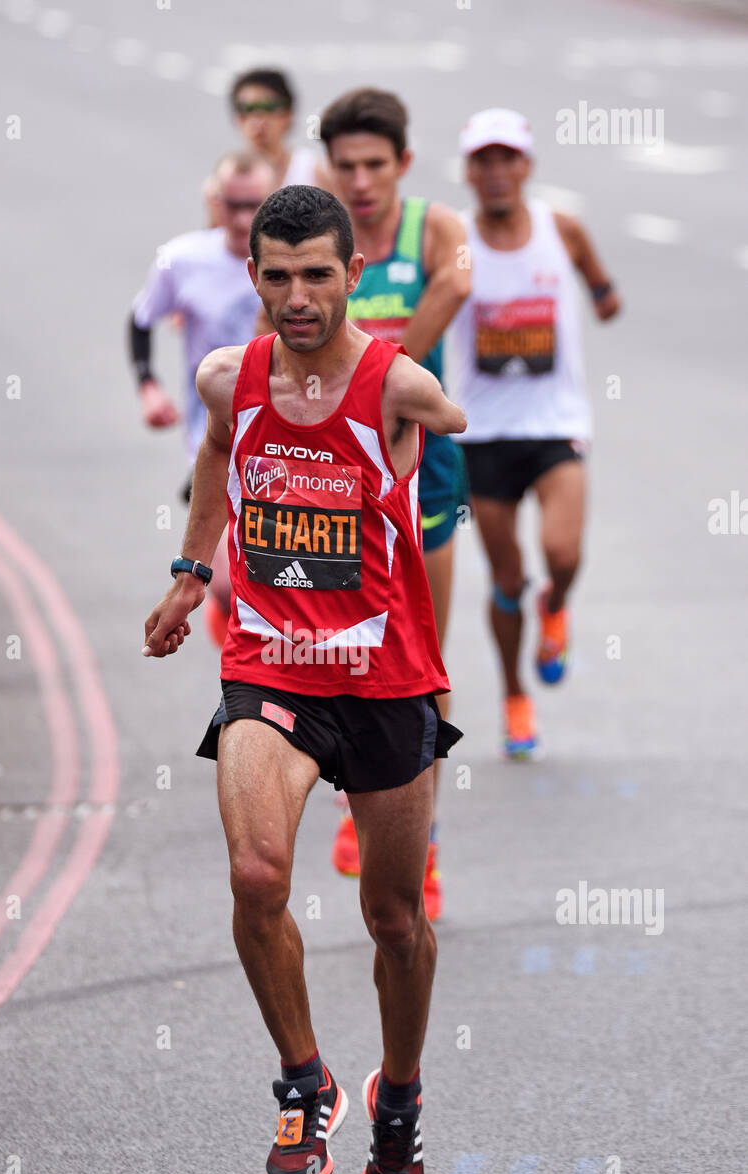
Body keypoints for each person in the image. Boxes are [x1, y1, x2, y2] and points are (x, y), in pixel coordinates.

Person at [142, 185, 466, 1174]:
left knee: (394, 918)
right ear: (253, 277)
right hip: (269, 664)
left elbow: (451, 423)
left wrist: (418, 464)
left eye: (316, 274)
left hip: (386, 678)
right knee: (253, 870)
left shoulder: (396, 387)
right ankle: (303, 1078)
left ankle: (400, 1096)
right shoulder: (227, 379)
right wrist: (194, 571)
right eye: (276, 276)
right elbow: (211, 454)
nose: (295, 296)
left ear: (350, 275)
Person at [318, 87, 471, 918]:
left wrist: (388, 371)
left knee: (420, 654)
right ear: (327, 167)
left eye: (375, 164)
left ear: (402, 165)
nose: (361, 180)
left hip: (423, 467)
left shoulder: (433, 229)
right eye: (345, 166)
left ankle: (425, 838)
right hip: (334, 473)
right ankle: (352, 801)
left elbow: (461, 276)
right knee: (339, 644)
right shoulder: (322, 244)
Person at [446, 109, 620, 758]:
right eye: (482, 161)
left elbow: (603, 293)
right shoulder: (452, 242)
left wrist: (602, 297)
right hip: (483, 433)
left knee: (563, 553)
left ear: (526, 165)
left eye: (506, 159)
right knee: (506, 579)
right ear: (467, 170)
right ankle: (514, 694)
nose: (495, 173)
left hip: (555, 426)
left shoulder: (560, 229)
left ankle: (559, 606)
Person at [128, 151, 273, 643]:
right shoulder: (183, 259)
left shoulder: (292, 262)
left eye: (253, 205)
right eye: (232, 204)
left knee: (279, 580)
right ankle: (240, 655)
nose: (241, 218)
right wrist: (149, 386)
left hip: (283, 443)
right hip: (213, 441)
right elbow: (141, 318)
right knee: (231, 583)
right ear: (214, 201)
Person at [203, 68, 331, 223]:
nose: (258, 120)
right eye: (248, 109)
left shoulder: (314, 172)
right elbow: (216, 241)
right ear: (237, 118)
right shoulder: (222, 182)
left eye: (269, 107)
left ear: (289, 115)